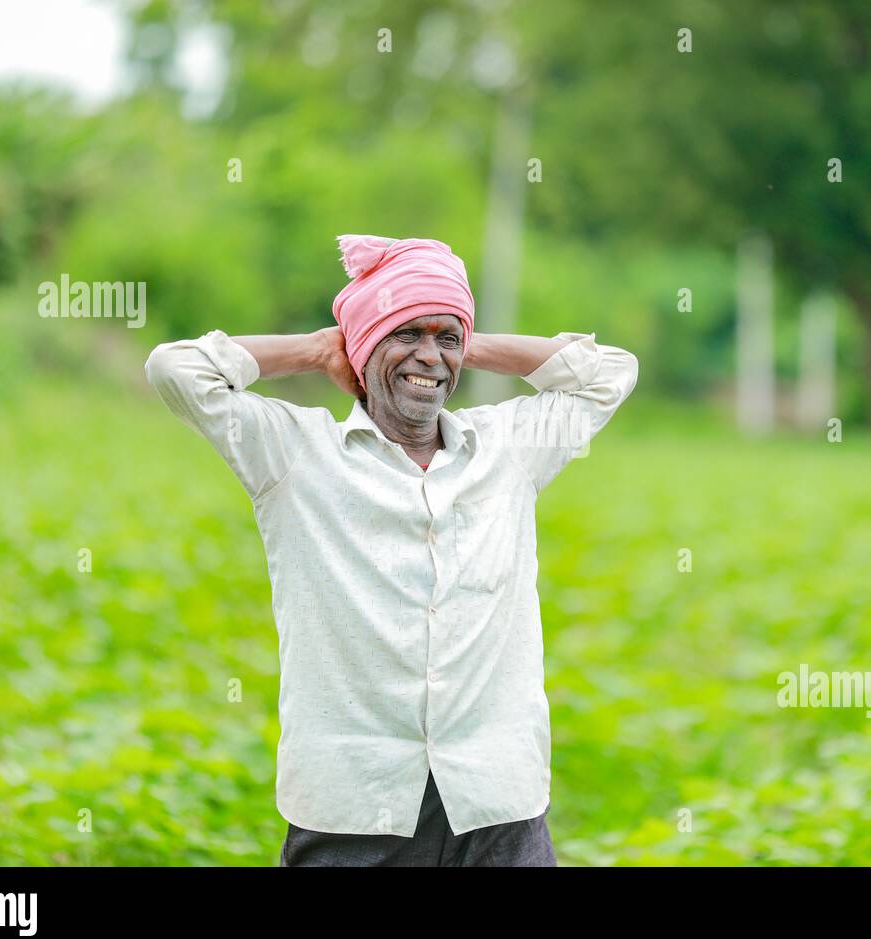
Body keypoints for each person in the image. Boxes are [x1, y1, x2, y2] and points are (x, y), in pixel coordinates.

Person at [145, 234, 638, 866]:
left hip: (496, 804)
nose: (429, 358)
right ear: (362, 344)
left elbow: (611, 372)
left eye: (446, 339)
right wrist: (324, 346)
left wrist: (461, 339)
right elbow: (174, 368)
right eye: (405, 334)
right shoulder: (294, 454)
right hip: (354, 807)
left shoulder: (509, 447)